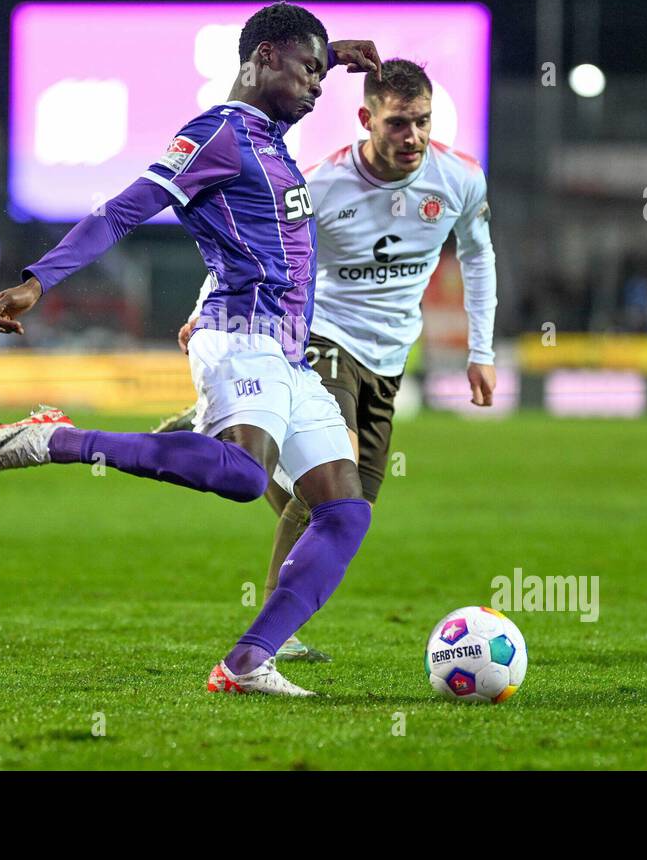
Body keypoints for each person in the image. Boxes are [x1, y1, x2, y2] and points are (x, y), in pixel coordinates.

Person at [0, 2, 381, 697]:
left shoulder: (271, 139)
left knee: (345, 511)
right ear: (264, 58)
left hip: (288, 357)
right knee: (247, 477)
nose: (316, 86)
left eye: (321, 75)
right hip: (238, 338)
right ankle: (56, 441)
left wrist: (331, 55)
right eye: (307, 69)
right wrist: (41, 279)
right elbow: (125, 207)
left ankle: (247, 663)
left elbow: (290, 85)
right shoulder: (215, 133)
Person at [160, 59, 497, 662]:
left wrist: (481, 351)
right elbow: (251, 247)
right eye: (397, 124)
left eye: (421, 122)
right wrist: (206, 307)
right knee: (328, 489)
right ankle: (272, 635)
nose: (412, 137)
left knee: (347, 510)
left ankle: (246, 427)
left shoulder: (461, 178)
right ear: (366, 118)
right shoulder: (319, 183)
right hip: (321, 337)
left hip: (390, 356)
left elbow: (478, 257)